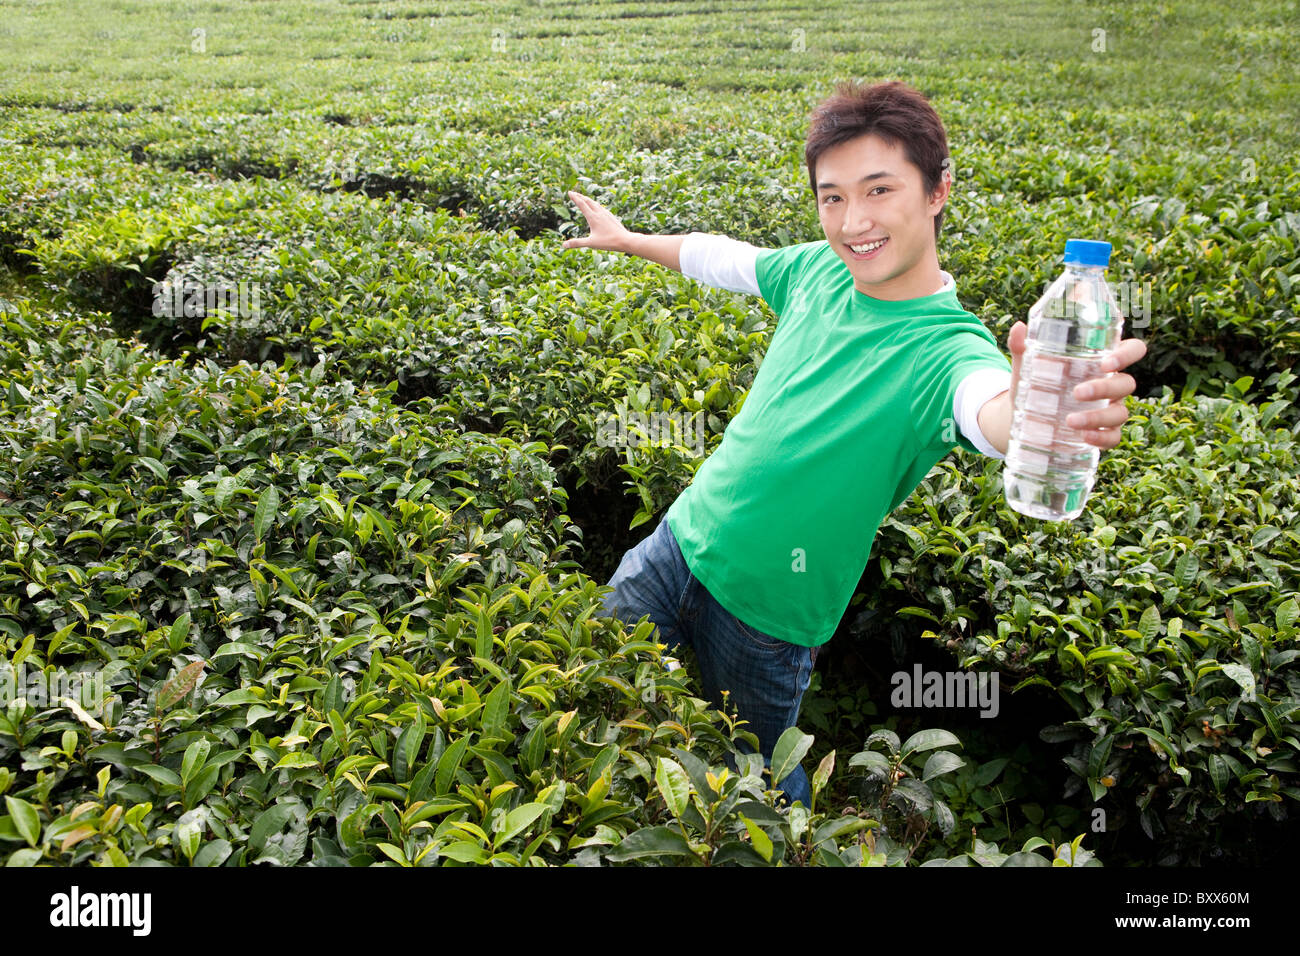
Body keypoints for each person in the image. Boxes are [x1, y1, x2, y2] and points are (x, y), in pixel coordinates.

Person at [560, 79, 1148, 806]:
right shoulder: (816, 270)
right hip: (676, 545)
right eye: (831, 196)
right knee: (585, 692)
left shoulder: (948, 349)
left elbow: (991, 413)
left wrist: (1038, 414)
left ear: (938, 191)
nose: (852, 221)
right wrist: (627, 240)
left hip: (769, 619)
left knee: (760, 788)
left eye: (878, 190)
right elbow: (722, 258)